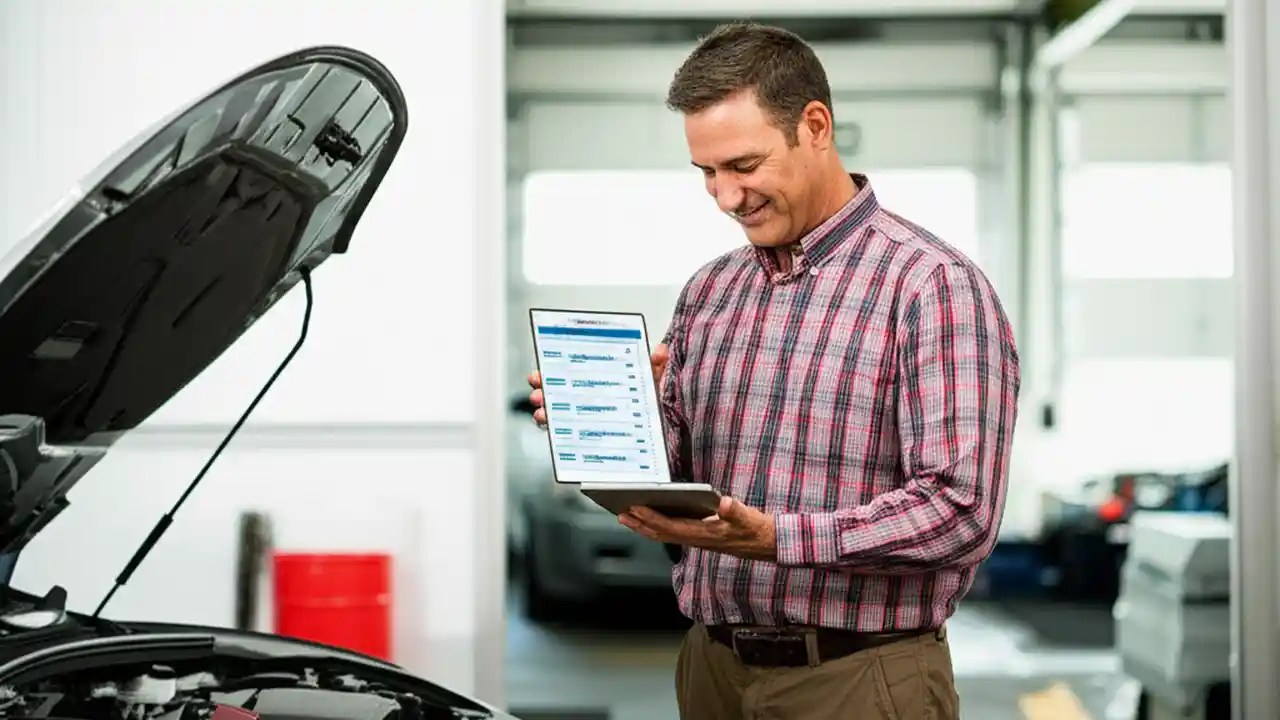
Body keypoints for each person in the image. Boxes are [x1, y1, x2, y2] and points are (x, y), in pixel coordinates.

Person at [528, 21, 1020, 720]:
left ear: (815, 126)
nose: (726, 196)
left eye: (744, 165)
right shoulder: (709, 290)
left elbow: (958, 511)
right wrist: (616, 420)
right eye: (707, 172)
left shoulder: (931, 287)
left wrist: (776, 538)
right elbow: (681, 476)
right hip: (712, 669)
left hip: (857, 677)